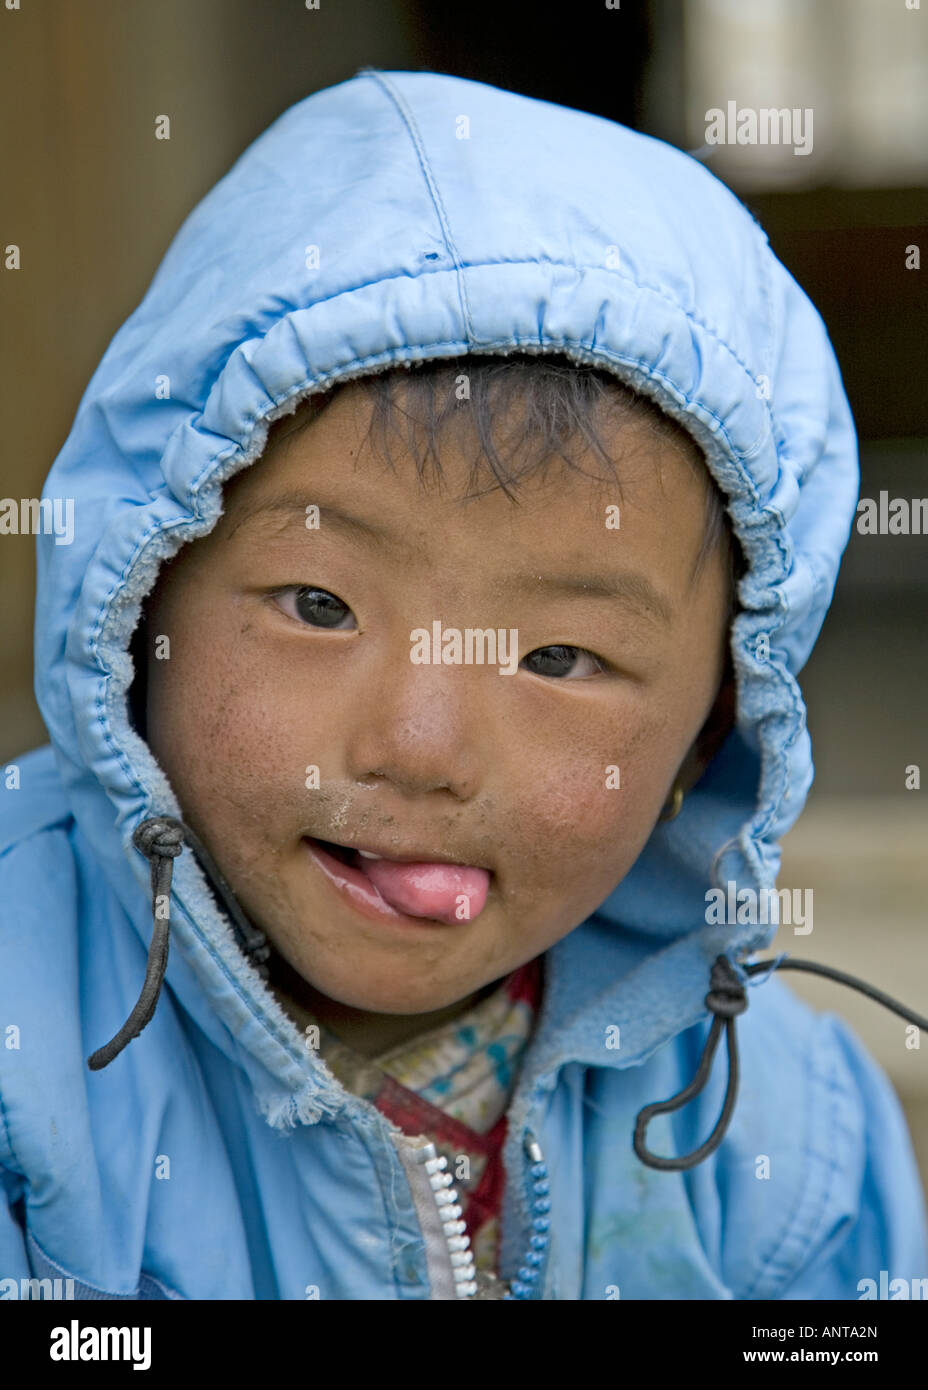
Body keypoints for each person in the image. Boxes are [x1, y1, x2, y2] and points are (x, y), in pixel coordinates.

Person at [1, 67, 925, 1301]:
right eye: (317, 604)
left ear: (714, 730)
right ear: (138, 597)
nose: (421, 744)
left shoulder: (780, 1144)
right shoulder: (23, 1063)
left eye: (560, 658)